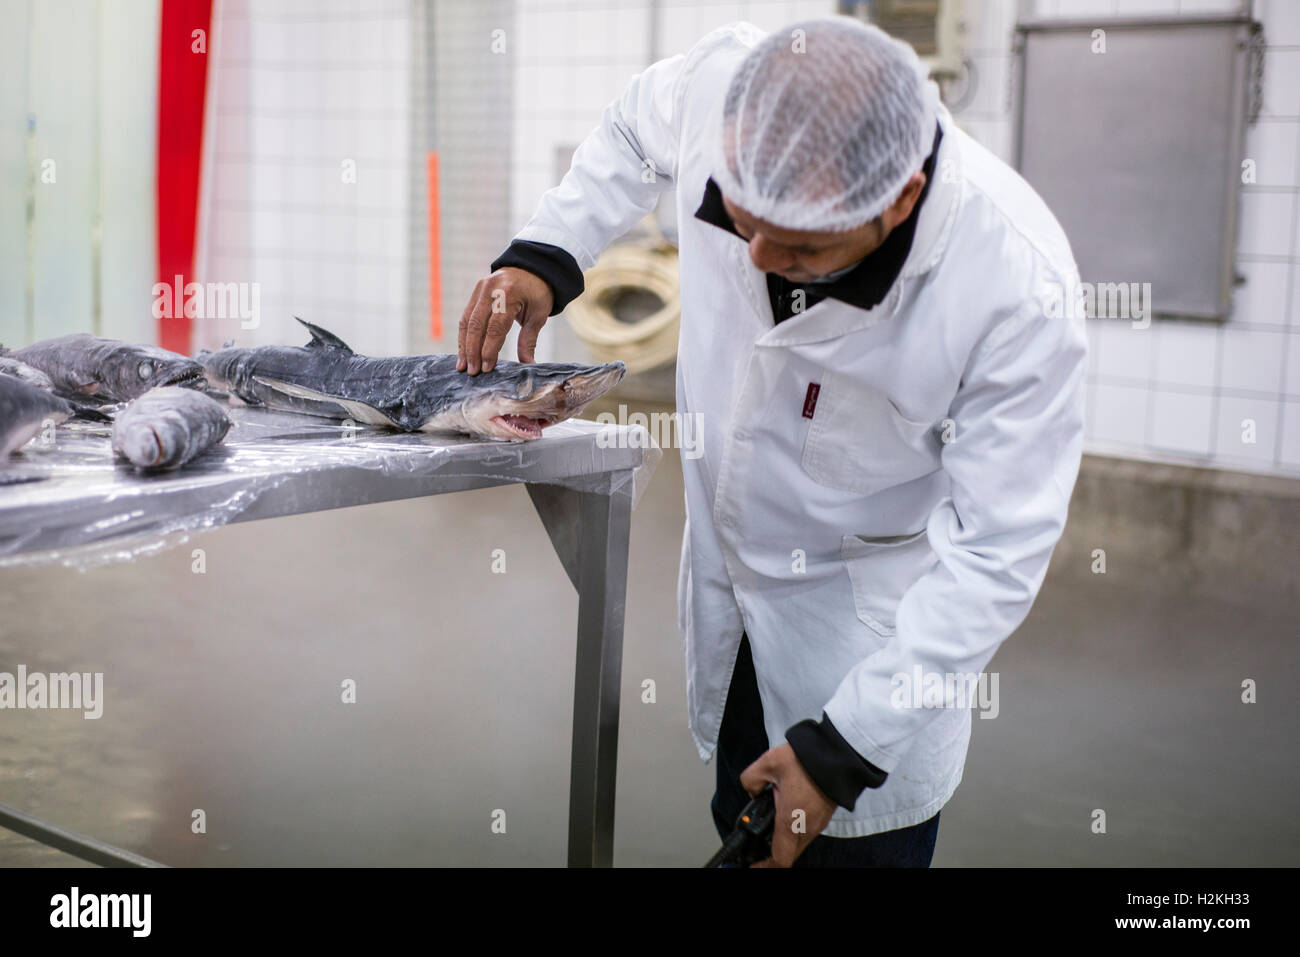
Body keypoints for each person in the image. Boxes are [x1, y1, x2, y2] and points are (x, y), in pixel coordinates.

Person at [457, 17, 1086, 867]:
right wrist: (549, 250)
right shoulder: (727, 86)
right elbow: (636, 127)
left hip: (867, 657)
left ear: (898, 199)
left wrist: (842, 751)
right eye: (737, 219)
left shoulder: (1014, 287)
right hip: (733, 604)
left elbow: (998, 554)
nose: (752, 256)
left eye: (798, 247)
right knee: (740, 819)